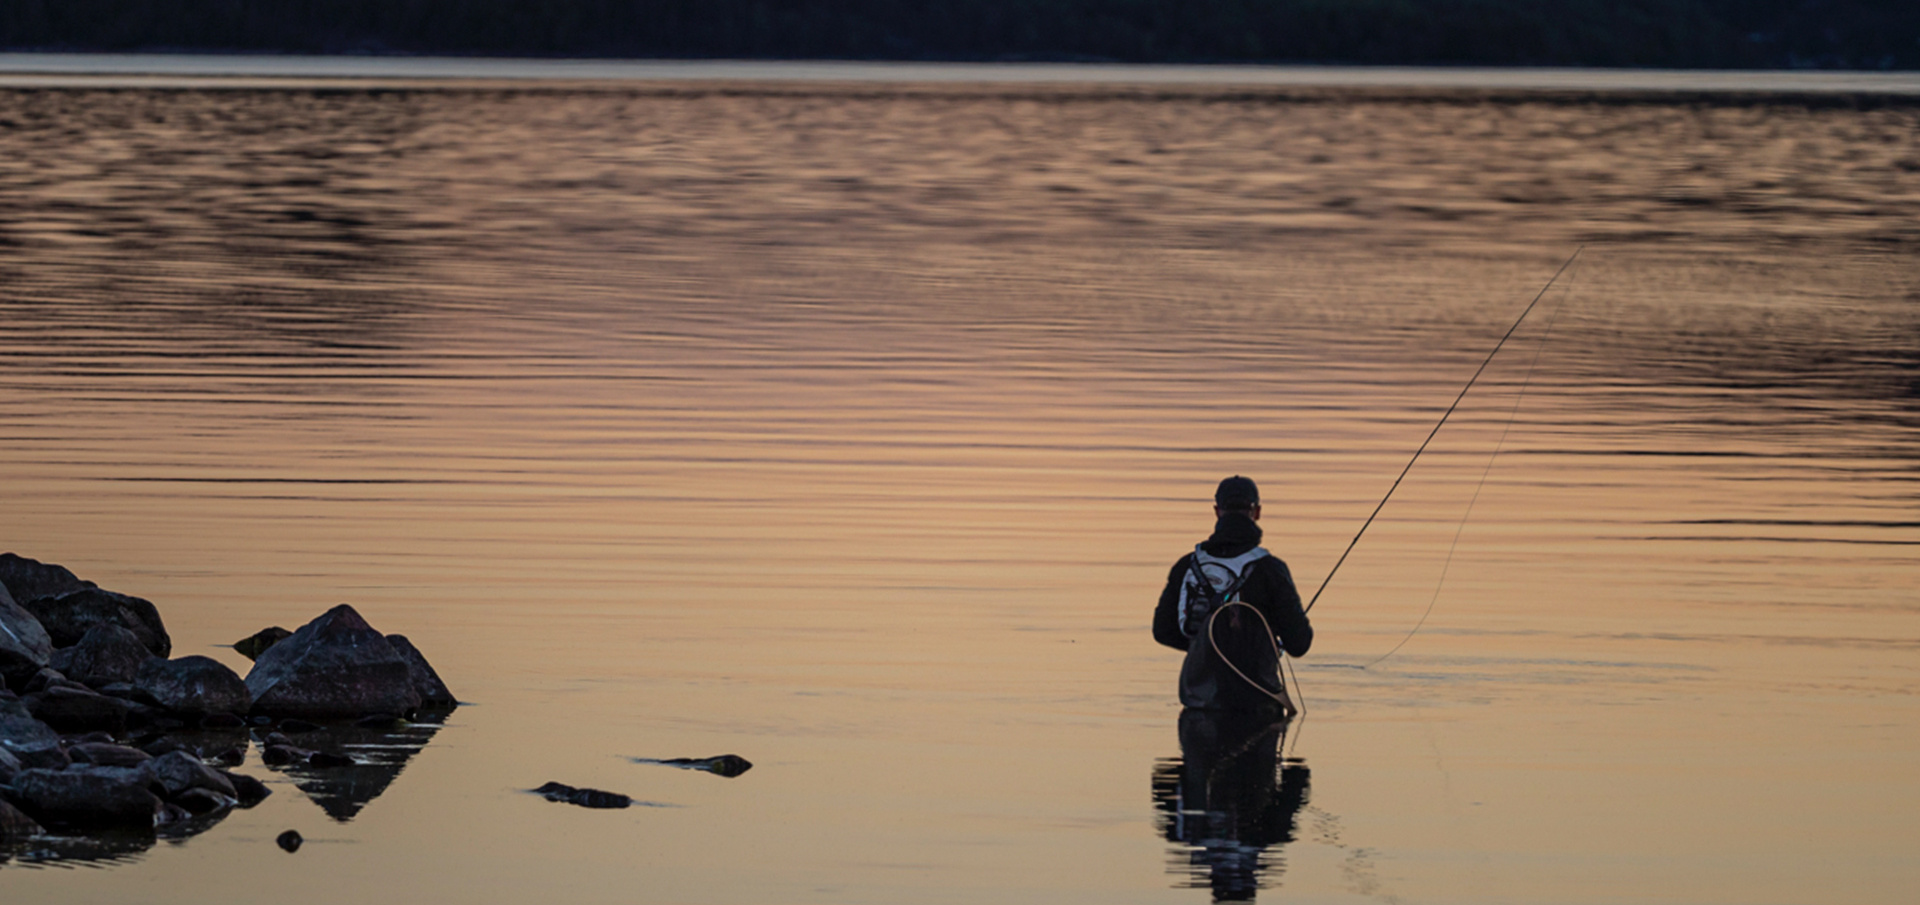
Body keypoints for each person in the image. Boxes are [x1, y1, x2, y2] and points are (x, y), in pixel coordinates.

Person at [1153, 476, 1312, 713]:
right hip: (1258, 704)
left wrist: (1206, 646)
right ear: (1256, 511)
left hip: (1199, 704)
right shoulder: (1271, 569)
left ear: (1217, 511)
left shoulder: (1187, 565)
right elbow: (1299, 644)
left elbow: (1163, 632)